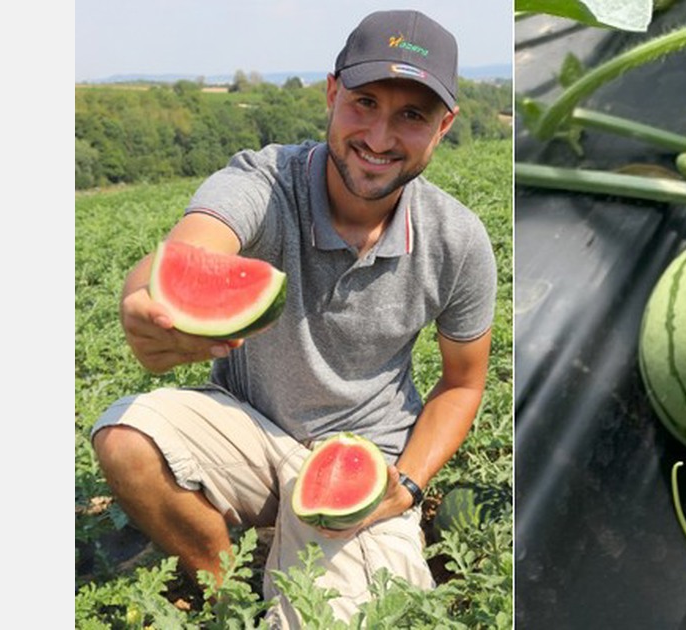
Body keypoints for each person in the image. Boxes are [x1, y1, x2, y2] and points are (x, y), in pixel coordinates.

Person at [89, 9, 497, 626]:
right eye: (364, 102)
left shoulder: (458, 240)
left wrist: (407, 485)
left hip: (367, 457)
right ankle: (227, 583)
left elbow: (464, 384)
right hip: (248, 429)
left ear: (444, 126)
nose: (380, 137)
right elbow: (193, 250)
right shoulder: (264, 181)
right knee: (127, 437)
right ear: (332, 94)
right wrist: (147, 293)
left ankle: (301, 547)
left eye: (411, 114)